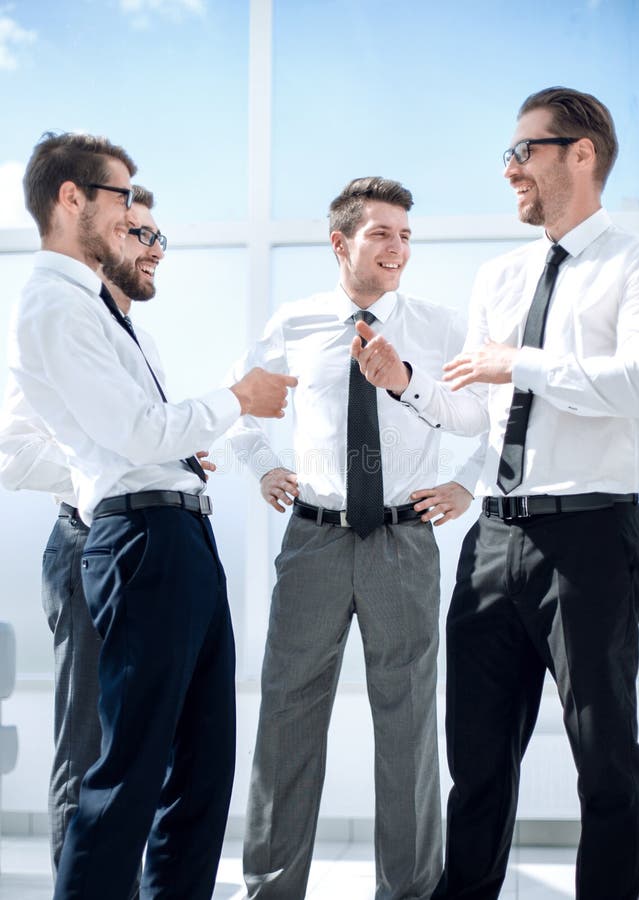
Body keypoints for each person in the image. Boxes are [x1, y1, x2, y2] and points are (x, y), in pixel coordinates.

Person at [352, 88, 639, 900]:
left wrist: (519, 364)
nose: (509, 170)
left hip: (592, 539)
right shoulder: (501, 275)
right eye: (509, 154)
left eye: (524, 151)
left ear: (582, 153)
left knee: (604, 760)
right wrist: (406, 384)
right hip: (493, 543)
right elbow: (476, 410)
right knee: (479, 763)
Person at [8, 131, 296, 900]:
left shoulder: (107, 313)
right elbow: (130, 435)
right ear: (73, 199)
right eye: (123, 200)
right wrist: (238, 400)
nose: (135, 216)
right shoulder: (53, 307)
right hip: (137, 540)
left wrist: (177, 453)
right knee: (126, 770)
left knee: (202, 767)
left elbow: (139, 431)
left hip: (178, 530)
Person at [227, 176, 484, 900]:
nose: (398, 248)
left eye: (406, 234)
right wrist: (265, 466)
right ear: (340, 243)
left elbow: (488, 414)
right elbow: (241, 405)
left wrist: (469, 482)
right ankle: (270, 890)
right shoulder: (296, 322)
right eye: (382, 233)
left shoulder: (437, 325)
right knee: (286, 721)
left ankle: (408, 893)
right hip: (313, 541)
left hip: (404, 543)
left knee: (408, 730)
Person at [0, 186, 202, 899]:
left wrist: (162, 458)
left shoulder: (130, 337)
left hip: (147, 541)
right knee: (92, 752)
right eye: (137, 234)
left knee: (152, 748)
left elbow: (138, 437)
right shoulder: (59, 327)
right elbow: (10, 451)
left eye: (158, 238)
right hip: (90, 542)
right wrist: (108, 464)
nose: (152, 250)